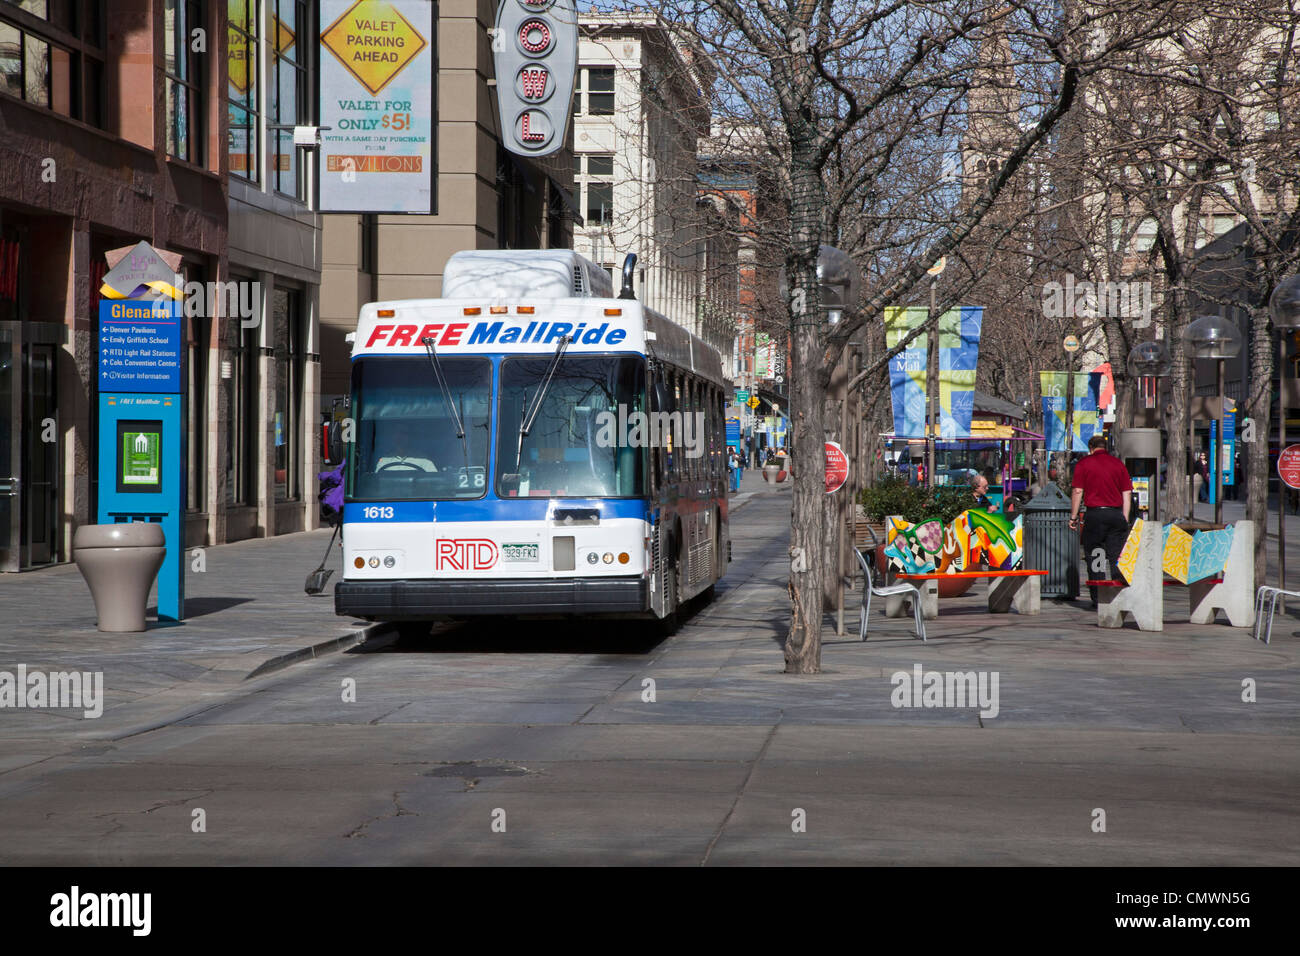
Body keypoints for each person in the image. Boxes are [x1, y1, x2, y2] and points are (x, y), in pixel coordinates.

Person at [1069, 434, 1133, 609]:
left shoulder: (1084, 464)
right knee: (1116, 556)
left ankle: (1098, 597)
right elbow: (1126, 493)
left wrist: (1073, 517)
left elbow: (1077, 491)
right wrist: (1124, 518)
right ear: (1105, 447)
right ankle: (1118, 594)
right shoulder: (1118, 464)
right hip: (1115, 515)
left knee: (1096, 554)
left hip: (1095, 515)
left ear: (1091, 448)